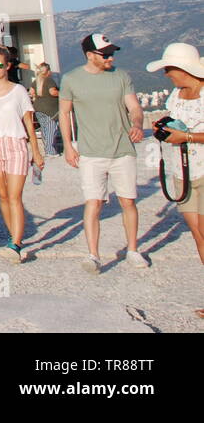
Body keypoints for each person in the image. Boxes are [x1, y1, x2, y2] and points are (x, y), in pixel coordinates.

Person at [59, 33, 146, 272]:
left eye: (111, 53)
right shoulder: (71, 79)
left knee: (128, 201)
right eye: (105, 54)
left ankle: (132, 250)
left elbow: (134, 107)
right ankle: (93, 255)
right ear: (90, 55)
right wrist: (68, 146)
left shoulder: (121, 76)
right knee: (93, 203)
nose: (110, 57)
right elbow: (65, 114)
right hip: (91, 152)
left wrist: (137, 124)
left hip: (122, 150)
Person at [145, 42, 204, 318]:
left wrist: (188, 137)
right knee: (198, 236)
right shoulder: (176, 95)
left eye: (169, 68)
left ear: (183, 69)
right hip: (183, 171)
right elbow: (174, 122)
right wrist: (165, 128)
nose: (166, 73)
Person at [0, 44, 44, 262]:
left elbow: (29, 124)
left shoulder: (19, 91)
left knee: (15, 196)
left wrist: (36, 152)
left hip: (15, 144)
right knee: (2, 196)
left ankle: (16, 243)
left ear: (8, 66)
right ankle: (13, 236)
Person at [30, 63, 62, 155]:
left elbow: (31, 92)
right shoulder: (49, 80)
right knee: (51, 130)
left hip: (38, 108)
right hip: (50, 109)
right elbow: (52, 92)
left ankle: (47, 149)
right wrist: (62, 93)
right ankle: (51, 151)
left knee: (44, 130)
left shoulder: (36, 81)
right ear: (48, 71)